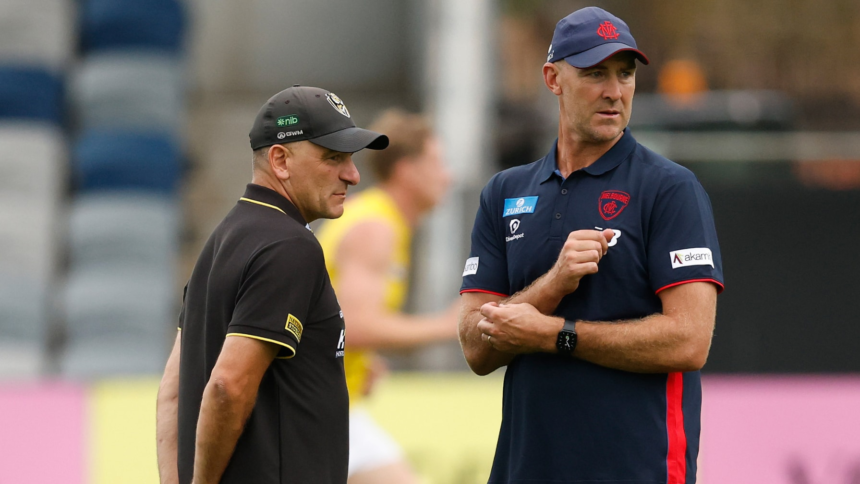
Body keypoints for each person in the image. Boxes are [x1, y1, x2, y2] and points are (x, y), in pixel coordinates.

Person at [458, 7, 724, 484]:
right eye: (595, 73)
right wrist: (552, 285)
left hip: (636, 468)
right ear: (553, 79)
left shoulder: (669, 188)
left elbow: (690, 340)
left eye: (625, 74)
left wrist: (553, 333)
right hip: (527, 469)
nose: (614, 91)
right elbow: (476, 348)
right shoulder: (504, 191)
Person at [155, 85, 388, 484]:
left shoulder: (221, 240)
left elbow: (172, 394)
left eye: (350, 158)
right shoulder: (290, 246)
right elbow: (228, 385)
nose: (352, 174)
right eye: (333, 157)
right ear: (280, 160)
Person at [315, 109, 459, 484]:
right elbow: (357, 326)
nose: (448, 176)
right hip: (315, 410)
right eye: (437, 163)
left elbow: (339, 321)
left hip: (333, 405)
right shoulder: (377, 228)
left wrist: (363, 359)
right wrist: (448, 325)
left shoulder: (379, 219)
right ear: (407, 170)